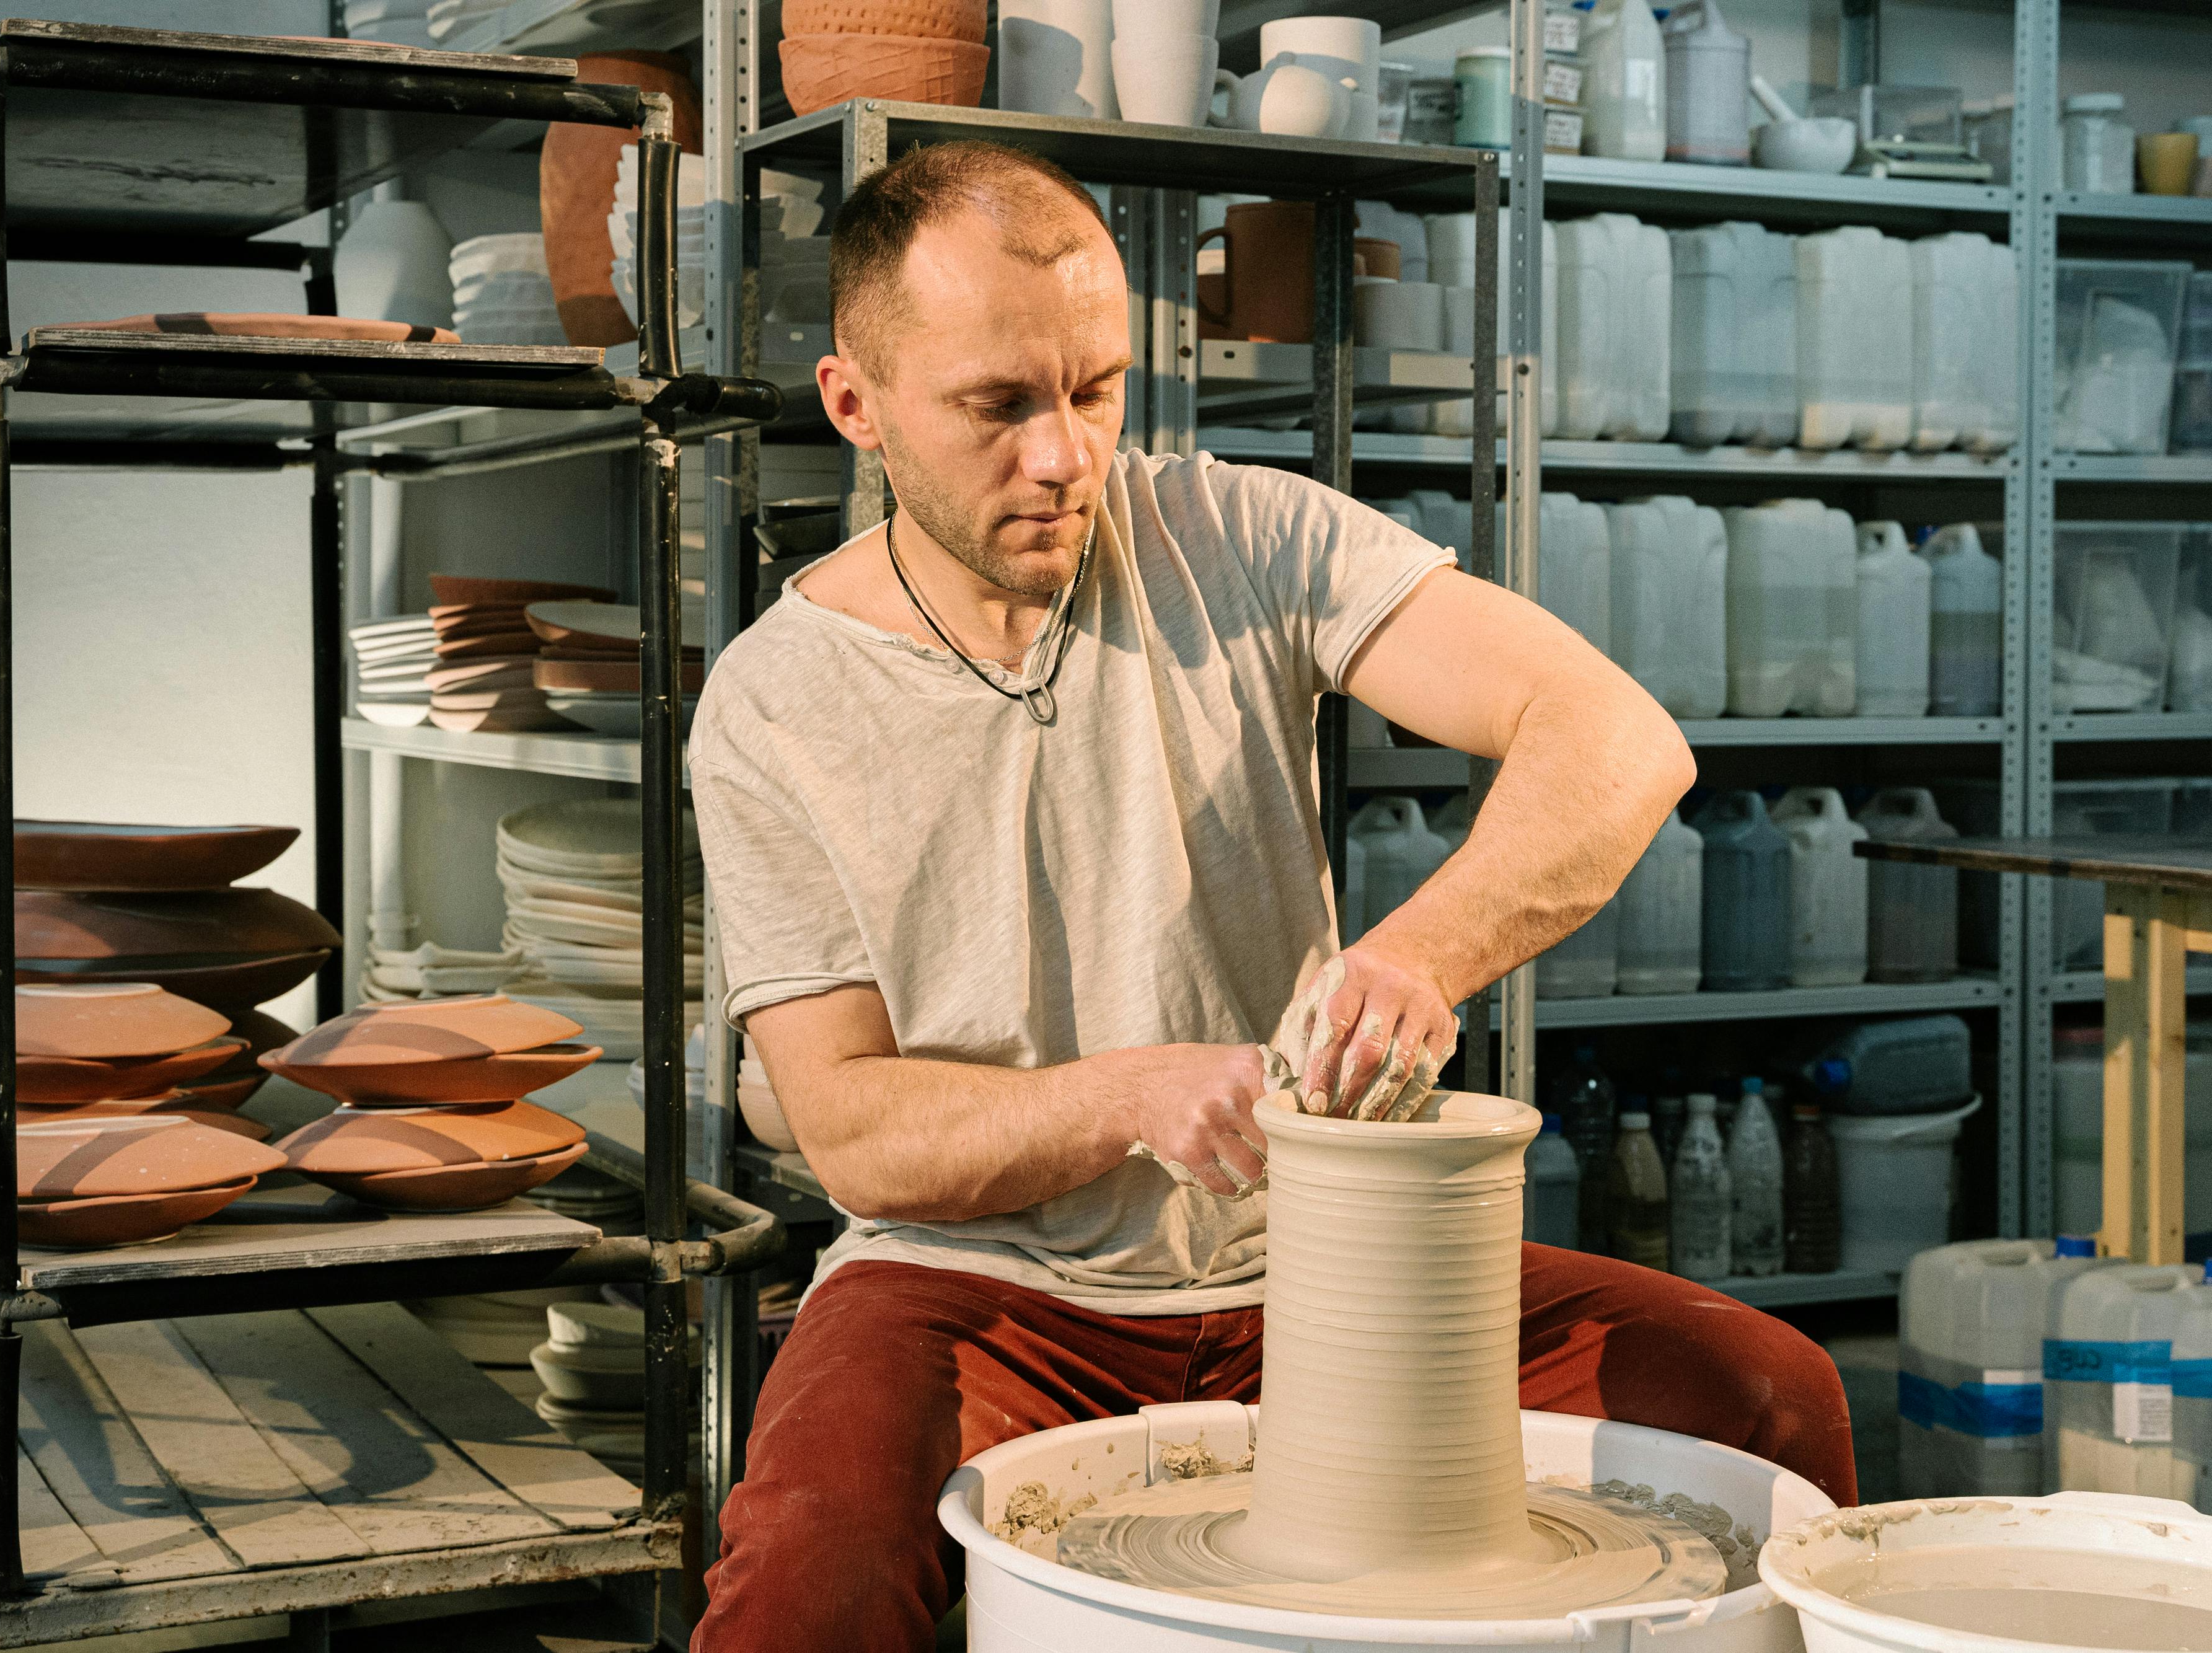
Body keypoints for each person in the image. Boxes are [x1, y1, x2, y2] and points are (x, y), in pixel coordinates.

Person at [686, 141, 1851, 1650]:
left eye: (1095, 390)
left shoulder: (1237, 533)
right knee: (805, 1583)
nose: (1063, 456)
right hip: (976, 1284)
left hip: (1309, 1258)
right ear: (856, 405)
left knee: (1761, 1397)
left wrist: (1420, 953)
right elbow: (850, 1129)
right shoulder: (774, 701)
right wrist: (1128, 1092)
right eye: (997, 406)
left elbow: (1617, 738)